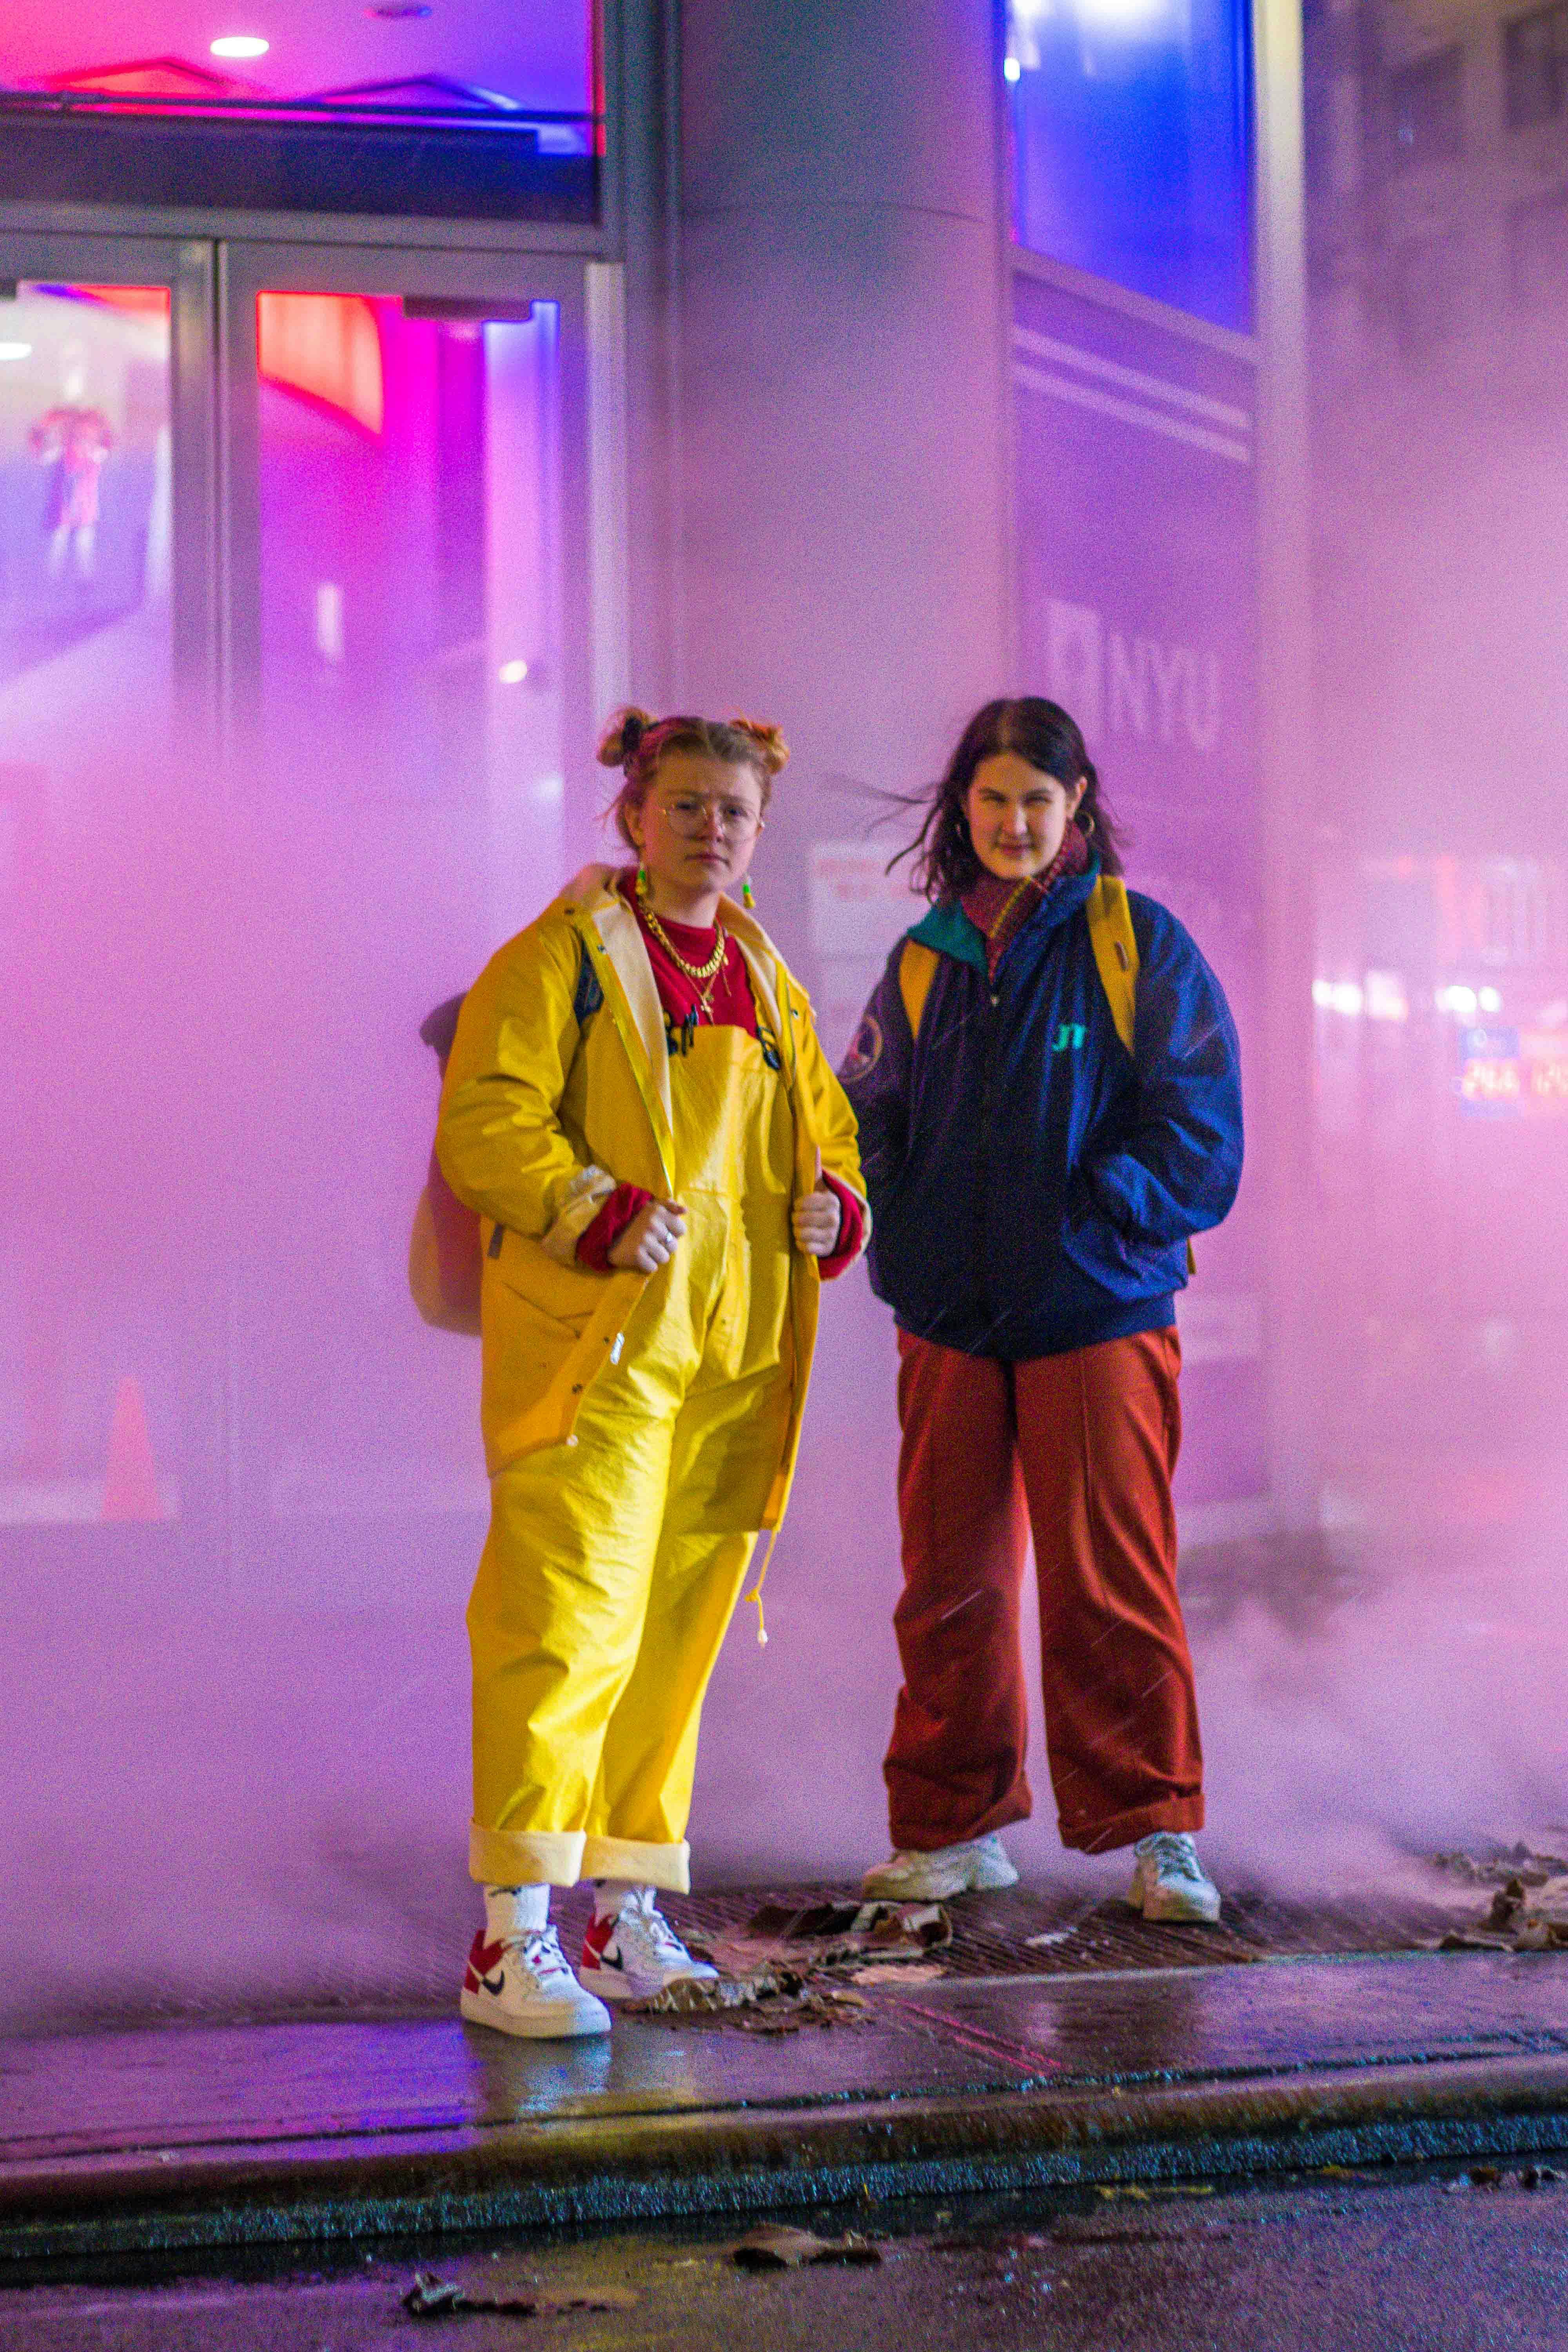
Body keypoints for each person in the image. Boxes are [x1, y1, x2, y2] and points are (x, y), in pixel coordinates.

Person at [437, 708, 868, 2038]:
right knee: (563, 1626)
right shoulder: (557, 958)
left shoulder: (764, 975)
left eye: (732, 813)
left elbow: (827, 1131)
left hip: (730, 1368)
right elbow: (487, 1117)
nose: (711, 831)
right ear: (633, 814)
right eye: (684, 805)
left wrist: (837, 1203)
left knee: (671, 1642)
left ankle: (624, 1910)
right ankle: (512, 1935)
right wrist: (593, 1204)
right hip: (602, 1356)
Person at [841, 698, 1242, 1921]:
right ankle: (951, 1825)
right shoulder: (922, 960)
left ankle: (1156, 1831)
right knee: (948, 1583)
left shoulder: (1137, 940)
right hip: (952, 1320)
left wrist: (1092, 1210)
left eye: (1038, 800)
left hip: (1098, 1312)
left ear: (1078, 808)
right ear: (962, 807)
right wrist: (891, 1233)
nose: (1015, 822)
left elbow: (1203, 1127)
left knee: (1109, 1582)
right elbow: (863, 1126)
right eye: (994, 798)